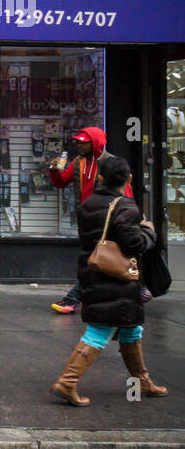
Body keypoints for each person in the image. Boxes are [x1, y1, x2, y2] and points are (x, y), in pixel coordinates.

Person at [51, 155, 167, 406]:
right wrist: (148, 231)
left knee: (131, 327)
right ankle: (67, 381)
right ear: (129, 179)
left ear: (100, 177)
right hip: (117, 276)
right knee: (100, 330)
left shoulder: (88, 204)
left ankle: (142, 380)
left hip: (95, 272)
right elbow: (132, 244)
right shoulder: (126, 206)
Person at [48, 126, 131, 313]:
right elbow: (62, 182)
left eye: (83, 143)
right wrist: (54, 171)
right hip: (87, 218)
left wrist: (126, 215)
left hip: (107, 218)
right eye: (77, 142)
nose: (78, 146)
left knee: (91, 259)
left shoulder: (111, 164)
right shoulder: (78, 162)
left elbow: (125, 191)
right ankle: (136, 289)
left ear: (95, 143)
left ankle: (72, 299)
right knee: (93, 259)